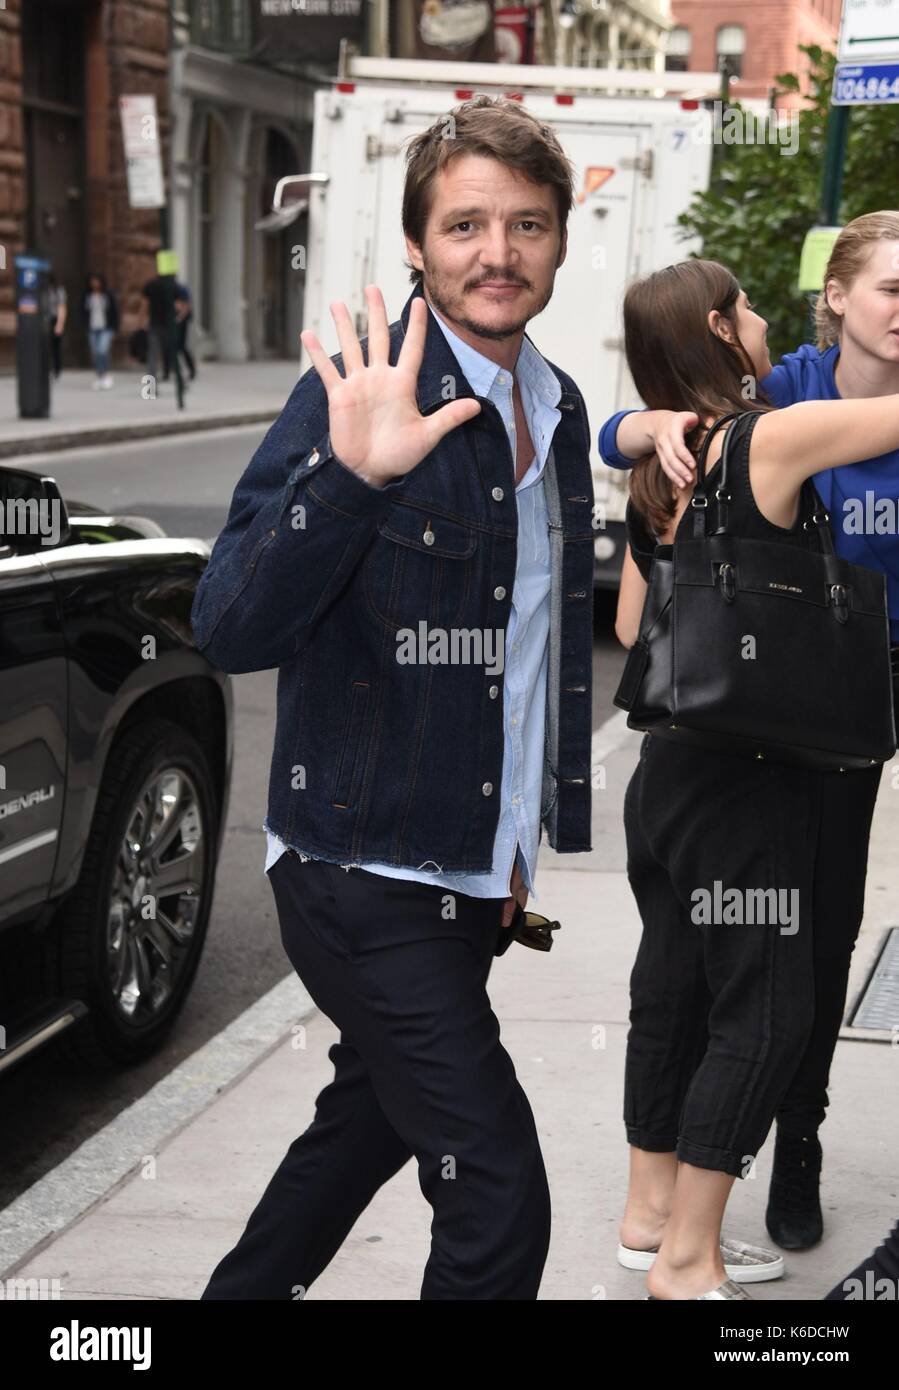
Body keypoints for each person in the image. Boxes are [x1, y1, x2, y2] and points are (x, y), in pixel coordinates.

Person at [190, 95, 595, 1299]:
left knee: (362, 1127)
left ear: (560, 241)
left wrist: (522, 832)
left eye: (526, 224)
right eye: (464, 224)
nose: (497, 252)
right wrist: (354, 479)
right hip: (358, 869)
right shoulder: (363, 388)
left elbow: (530, 644)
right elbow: (229, 624)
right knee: (498, 1198)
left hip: (469, 872)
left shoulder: (557, 407)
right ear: (416, 245)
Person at [601, 212, 899, 1256]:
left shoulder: (662, 459)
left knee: (674, 983)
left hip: (676, 769)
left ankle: (654, 1218)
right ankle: (686, 1256)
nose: (764, 318)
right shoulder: (768, 430)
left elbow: (632, 628)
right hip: (755, 772)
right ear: (726, 332)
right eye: (747, 307)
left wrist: (635, 430)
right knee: (767, 1007)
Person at [83, 273, 119, 389]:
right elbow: (83, 311)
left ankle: (105, 374)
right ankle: (99, 375)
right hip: (92, 327)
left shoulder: (108, 294)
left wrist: (115, 327)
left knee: (102, 350)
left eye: (96, 281)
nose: (94, 283)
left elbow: (115, 311)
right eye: (93, 281)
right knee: (95, 352)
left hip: (106, 327)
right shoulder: (87, 295)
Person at [140, 270, 176, 385]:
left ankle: (150, 389)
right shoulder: (173, 286)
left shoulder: (150, 286)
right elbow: (181, 305)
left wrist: (141, 321)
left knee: (153, 356)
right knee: (171, 352)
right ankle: (176, 380)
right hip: (168, 325)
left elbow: (144, 305)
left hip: (154, 324)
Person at [173, 280, 196, 380]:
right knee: (175, 347)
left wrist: (179, 318)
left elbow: (186, 306)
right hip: (177, 321)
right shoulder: (179, 289)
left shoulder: (180, 289)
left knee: (181, 346)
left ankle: (190, 369)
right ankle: (173, 370)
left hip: (181, 322)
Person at [46, 273, 67, 379]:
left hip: (55, 319)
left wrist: (59, 324)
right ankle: (46, 369)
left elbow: (62, 307)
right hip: (44, 319)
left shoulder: (58, 290)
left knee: (55, 347)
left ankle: (56, 370)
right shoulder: (42, 290)